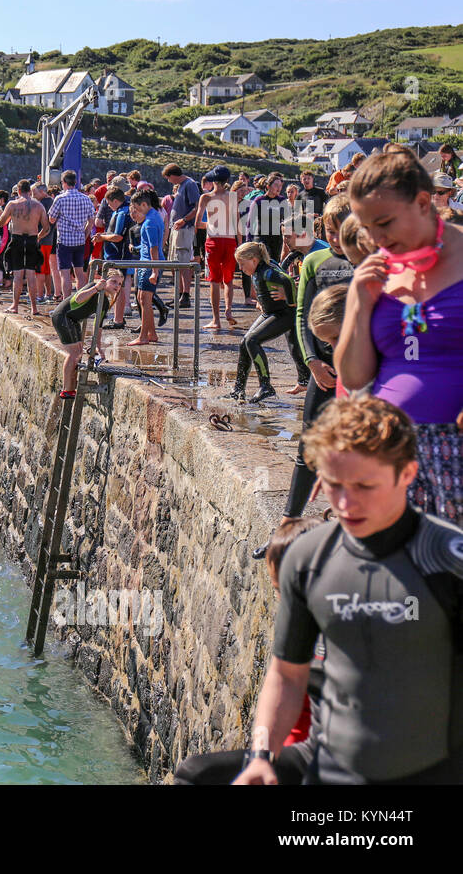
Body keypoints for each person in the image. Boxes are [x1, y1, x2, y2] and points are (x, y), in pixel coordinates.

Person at [235, 395, 463, 785]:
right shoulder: (307, 558)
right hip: (330, 771)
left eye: (364, 485)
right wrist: (261, 755)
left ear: (407, 474)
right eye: (334, 484)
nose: (345, 503)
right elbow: (287, 675)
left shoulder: (448, 559)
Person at [336, 148, 463, 523]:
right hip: (385, 451)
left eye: (385, 222)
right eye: (366, 227)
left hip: (454, 454)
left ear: (424, 203)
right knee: (397, 577)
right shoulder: (378, 270)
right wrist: (359, 300)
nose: (376, 238)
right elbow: (354, 376)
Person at [174, 515, 326, 784]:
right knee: (193, 772)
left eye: (288, 589)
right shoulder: (298, 627)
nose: (283, 600)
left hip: (332, 760)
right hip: (291, 755)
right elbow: (282, 682)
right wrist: (261, 756)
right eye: (278, 590)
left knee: (195, 773)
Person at [281, 204, 355, 520]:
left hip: (360, 371)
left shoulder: (369, 260)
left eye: (342, 231)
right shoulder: (313, 260)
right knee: (308, 447)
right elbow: (303, 315)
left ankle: (349, 515)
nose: (335, 238)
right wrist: (311, 361)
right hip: (323, 369)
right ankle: (288, 522)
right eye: (329, 232)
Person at [229, 242, 305, 403]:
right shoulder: (259, 269)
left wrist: (291, 301)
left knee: (252, 340)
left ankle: (266, 386)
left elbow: (287, 279)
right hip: (270, 312)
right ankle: (238, 390)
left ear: (254, 260)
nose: (241, 269)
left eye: (242, 264)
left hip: (284, 314)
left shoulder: (266, 272)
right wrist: (261, 300)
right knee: (245, 343)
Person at [52, 266, 124, 399]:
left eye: (119, 284)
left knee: (78, 354)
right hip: (63, 316)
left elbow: (98, 326)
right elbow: (78, 298)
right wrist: (96, 288)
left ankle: (71, 387)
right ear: (104, 280)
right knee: (74, 354)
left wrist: (98, 347)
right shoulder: (93, 287)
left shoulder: (105, 303)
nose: (117, 285)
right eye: (114, 281)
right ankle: (66, 390)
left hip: (73, 321)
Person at [196, 165, 240, 331]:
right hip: (230, 241)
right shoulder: (233, 197)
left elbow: (198, 223)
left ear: (212, 180)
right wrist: (240, 242)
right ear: (227, 181)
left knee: (214, 281)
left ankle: (216, 319)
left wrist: (210, 223)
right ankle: (228, 311)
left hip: (213, 241)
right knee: (228, 280)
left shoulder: (206, 197)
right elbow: (237, 223)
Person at [0, 179, 49, 315]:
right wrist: (38, 236)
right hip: (32, 239)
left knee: (18, 275)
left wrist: (10, 219)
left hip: (17, 239)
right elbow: (47, 227)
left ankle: (15, 306)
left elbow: (0, 223)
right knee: (31, 275)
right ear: (30, 191)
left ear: (18, 191)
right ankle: (34, 308)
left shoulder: (12, 204)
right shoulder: (38, 206)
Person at [125, 190, 167, 346]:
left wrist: (155, 271)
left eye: (136, 207)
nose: (135, 211)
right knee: (143, 299)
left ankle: (143, 336)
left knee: (145, 300)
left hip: (149, 264)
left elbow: (154, 248)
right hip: (148, 263)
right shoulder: (155, 216)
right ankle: (152, 333)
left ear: (144, 204)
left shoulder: (149, 222)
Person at [48, 170, 93, 296]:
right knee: (79, 272)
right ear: (75, 182)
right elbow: (91, 221)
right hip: (80, 240)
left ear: (63, 182)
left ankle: (66, 304)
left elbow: (51, 219)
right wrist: (85, 235)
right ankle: (81, 301)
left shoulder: (60, 198)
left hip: (64, 241)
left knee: (65, 274)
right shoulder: (85, 199)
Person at [163, 164, 201, 307]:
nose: (168, 181)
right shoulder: (182, 185)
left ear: (174, 175)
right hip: (178, 228)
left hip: (184, 229)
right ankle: (179, 295)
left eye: (168, 178)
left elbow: (196, 207)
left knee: (183, 262)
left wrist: (184, 219)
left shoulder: (189, 184)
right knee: (176, 262)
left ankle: (185, 295)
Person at [98, 185, 133, 329]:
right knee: (119, 286)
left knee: (117, 287)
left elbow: (118, 236)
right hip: (118, 255)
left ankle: (118, 319)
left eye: (108, 203)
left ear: (113, 201)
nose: (109, 206)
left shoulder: (122, 213)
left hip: (119, 256)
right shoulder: (122, 211)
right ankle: (118, 317)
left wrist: (102, 237)